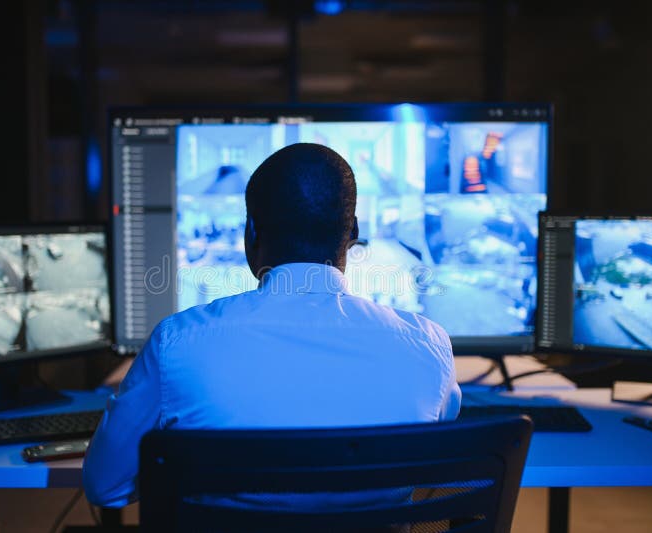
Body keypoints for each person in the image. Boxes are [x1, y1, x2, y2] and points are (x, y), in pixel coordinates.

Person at [83, 143, 461, 507]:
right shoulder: (427, 346)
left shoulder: (178, 344)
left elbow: (105, 486)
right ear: (352, 233)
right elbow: (437, 453)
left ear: (251, 231)